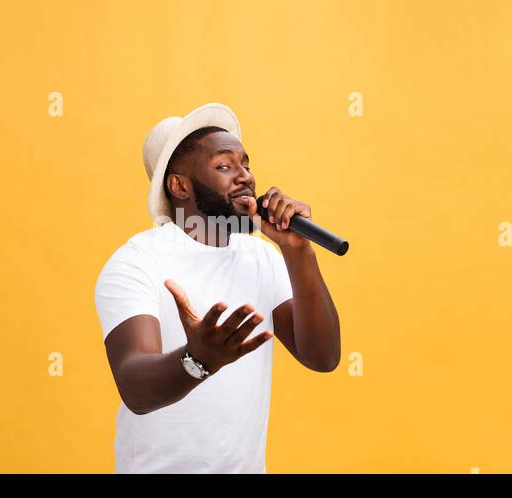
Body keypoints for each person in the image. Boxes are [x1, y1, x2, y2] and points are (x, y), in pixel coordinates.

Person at [94, 103, 341, 473]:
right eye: (224, 166)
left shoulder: (263, 257)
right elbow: (135, 387)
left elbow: (323, 357)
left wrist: (298, 252)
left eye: (246, 163)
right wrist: (198, 361)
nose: (244, 176)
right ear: (179, 186)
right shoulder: (137, 261)